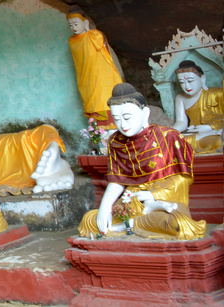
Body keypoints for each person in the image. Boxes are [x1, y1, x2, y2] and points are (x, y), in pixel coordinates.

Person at [78, 83, 206, 240]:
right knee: (89, 221)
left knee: (179, 224)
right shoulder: (115, 141)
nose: (123, 125)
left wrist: (149, 195)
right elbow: (118, 180)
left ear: (145, 113)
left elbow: (182, 179)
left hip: (163, 197)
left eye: (127, 117)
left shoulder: (168, 137)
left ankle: (128, 224)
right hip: (131, 200)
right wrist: (105, 206)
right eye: (117, 119)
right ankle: (130, 223)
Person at [66, 8, 123, 129]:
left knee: (104, 98)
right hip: (86, 78)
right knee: (92, 102)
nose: (74, 27)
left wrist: (89, 31)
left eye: (76, 24)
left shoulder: (95, 35)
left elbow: (105, 53)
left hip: (102, 75)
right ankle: (99, 133)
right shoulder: (72, 41)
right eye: (70, 25)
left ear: (85, 23)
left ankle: (111, 128)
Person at [171, 61, 223, 154]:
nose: (187, 86)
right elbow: (182, 122)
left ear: (202, 79)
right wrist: (169, 132)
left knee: (218, 140)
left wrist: (209, 127)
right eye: (182, 82)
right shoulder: (180, 98)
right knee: (173, 142)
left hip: (217, 133)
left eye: (190, 81)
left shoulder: (218, 94)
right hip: (195, 134)